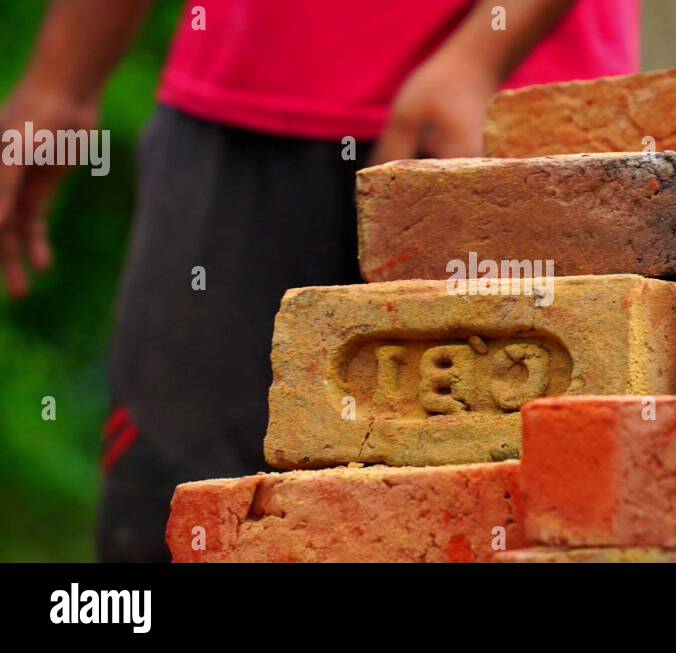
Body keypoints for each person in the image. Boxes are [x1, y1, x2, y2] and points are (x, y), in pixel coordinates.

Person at [0, 0, 638, 562]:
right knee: (166, 520)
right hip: (234, 108)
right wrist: (62, 78)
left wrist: (482, 56)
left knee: (512, 521)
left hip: (502, 115)